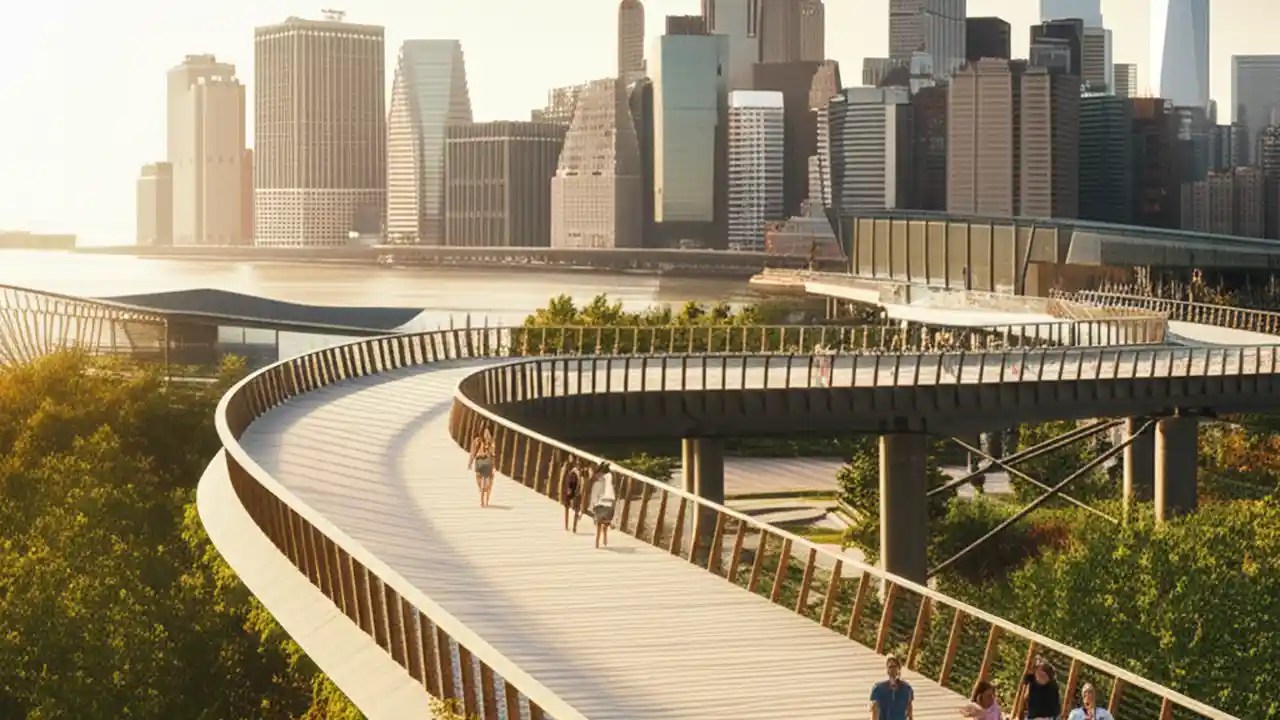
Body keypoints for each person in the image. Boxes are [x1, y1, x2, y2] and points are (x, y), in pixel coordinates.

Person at [869, 654, 913, 720]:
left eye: (895, 666)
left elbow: (909, 707)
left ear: (899, 669)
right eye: (890, 667)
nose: (893, 669)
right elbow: (874, 710)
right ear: (887, 670)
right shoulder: (878, 689)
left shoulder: (907, 689)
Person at [588, 462, 618, 549]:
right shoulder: (610, 480)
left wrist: (592, 506)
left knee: (599, 524)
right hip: (608, 504)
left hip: (601, 504)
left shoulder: (599, 482)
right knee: (604, 523)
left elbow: (594, 495)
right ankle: (604, 539)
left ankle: (597, 542)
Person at [466, 424, 497, 508]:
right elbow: (473, 453)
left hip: (483, 461)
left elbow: (493, 455)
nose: (487, 435)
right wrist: (470, 463)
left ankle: (484, 498)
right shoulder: (482, 441)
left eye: (488, 433)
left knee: (484, 481)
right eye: (486, 433)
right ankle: (484, 496)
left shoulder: (486, 442)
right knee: (484, 481)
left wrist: (470, 463)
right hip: (483, 462)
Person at [561, 457, 585, 533]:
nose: (579, 466)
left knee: (576, 510)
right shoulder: (573, 473)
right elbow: (569, 484)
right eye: (578, 464)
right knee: (567, 508)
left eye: (580, 464)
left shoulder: (581, 473)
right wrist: (569, 492)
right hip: (572, 493)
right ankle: (566, 525)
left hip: (577, 493)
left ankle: (574, 527)